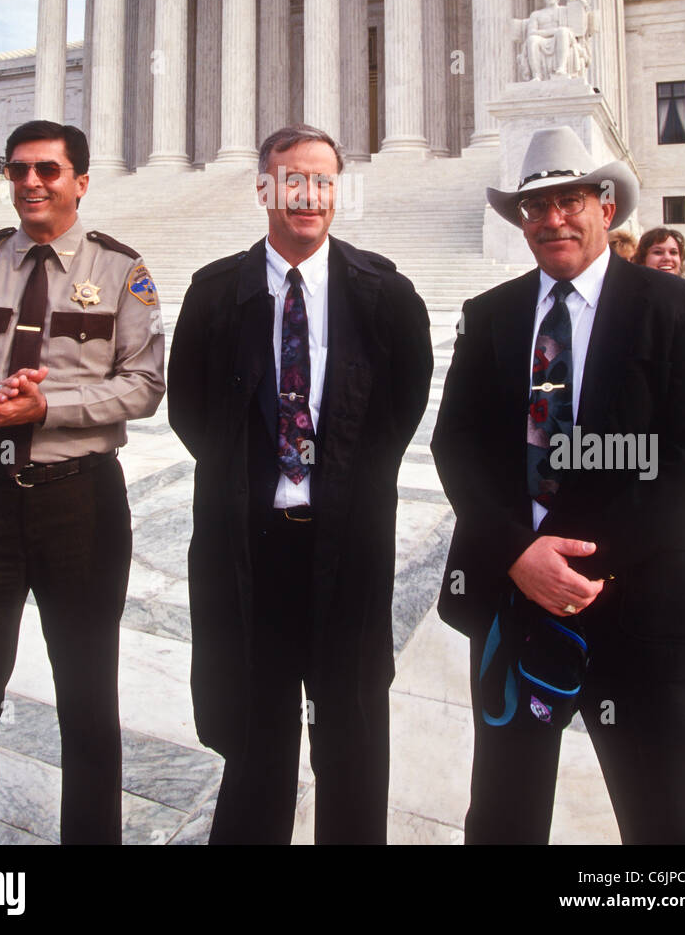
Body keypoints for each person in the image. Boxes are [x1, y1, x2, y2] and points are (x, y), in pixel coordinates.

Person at [432, 125, 685, 845]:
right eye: (535, 207)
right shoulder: (492, 315)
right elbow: (457, 444)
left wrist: (580, 563)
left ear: (605, 205)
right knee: (505, 811)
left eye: (568, 200)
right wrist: (518, 553)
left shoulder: (677, 311)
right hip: (514, 596)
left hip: (636, 602)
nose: (551, 219)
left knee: (660, 815)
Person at [167, 124, 433, 845]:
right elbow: (191, 410)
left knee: (352, 726)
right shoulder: (216, 292)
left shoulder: (383, 291)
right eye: (292, 179)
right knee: (256, 730)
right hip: (251, 548)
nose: (308, 195)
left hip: (348, 549)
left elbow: (403, 405)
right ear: (263, 190)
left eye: (322, 180)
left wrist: (341, 482)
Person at [0, 120, 166, 845]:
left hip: (79, 503)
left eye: (48, 171)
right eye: (18, 171)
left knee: (86, 694)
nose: (30, 184)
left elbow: (144, 385)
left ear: (81, 181)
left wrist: (51, 407)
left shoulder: (122, 271)